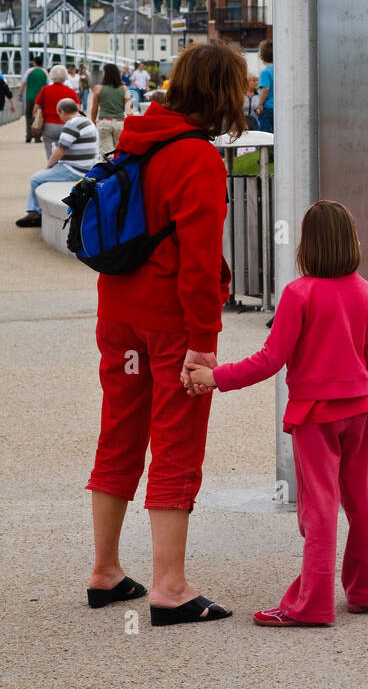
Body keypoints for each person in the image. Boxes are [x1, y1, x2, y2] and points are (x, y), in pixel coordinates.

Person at [85, 40, 248, 625]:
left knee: (120, 430)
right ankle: (170, 587)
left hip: (117, 310)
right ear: (223, 94)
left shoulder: (135, 137)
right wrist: (204, 342)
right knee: (176, 439)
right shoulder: (197, 158)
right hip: (170, 321)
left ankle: (105, 572)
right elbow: (199, 267)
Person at [187, 200, 368, 627]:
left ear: (306, 245)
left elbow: (270, 359)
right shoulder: (365, 291)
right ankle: (367, 590)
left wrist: (214, 377)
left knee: (320, 508)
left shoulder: (300, 294)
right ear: (351, 241)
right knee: (362, 503)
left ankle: (312, 605)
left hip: (315, 416)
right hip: (361, 411)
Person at [16, 99, 98, 228]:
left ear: (62, 111)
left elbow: (60, 150)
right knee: (43, 174)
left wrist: (48, 165)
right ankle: (35, 212)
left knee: (36, 179)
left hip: (75, 169)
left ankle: (34, 214)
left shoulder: (72, 124)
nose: (59, 117)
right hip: (86, 167)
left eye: (58, 114)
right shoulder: (87, 121)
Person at [34, 65, 80, 162]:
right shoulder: (70, 92)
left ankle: (51, 167)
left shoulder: (45, 90)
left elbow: (36, 108)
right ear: (65, 76)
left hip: (48, 125)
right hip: (66, 125)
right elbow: (77, 110)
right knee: (66, 150)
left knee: (49, 151)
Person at [90, 64, 131, 156]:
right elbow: (129, 110)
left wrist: (93, 121)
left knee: (107, 154)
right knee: (120, 152)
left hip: (104, 122)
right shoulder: (125, 89)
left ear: (106, 74)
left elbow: (94, 109)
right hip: (120, 122)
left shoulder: (98, 88)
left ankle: (109, 168)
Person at [23, 54, 47, 143]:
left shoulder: (29, 71)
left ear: (34, 63)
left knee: (28, 116)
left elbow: (23, 82)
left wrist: (21, 93)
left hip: (30, 97)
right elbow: (48, 84)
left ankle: (28, 135)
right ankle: (37, 136)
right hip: (42, 98)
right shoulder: (45, 72)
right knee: (40, 116)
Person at [256, 40, 274, 134]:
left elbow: (265, 88)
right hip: (277, 107)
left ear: (261, 57)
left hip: (267, 107)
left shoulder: (265, 72)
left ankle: (265, 149)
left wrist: (260, 104)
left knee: (265, 133)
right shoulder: (278, 70)